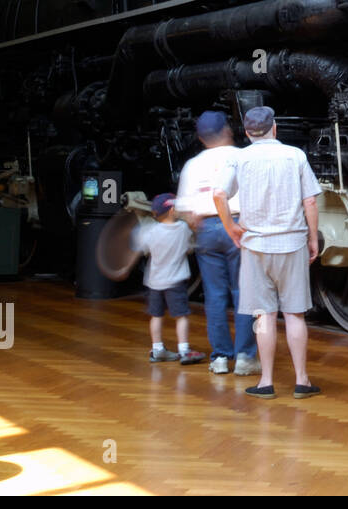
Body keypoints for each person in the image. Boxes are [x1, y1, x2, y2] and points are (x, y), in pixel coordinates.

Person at [213, 106, 321, 399]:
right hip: (292, 244)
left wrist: (231, 227)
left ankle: (266, 382)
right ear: (274, 128)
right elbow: (310, 201)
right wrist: (313, 238)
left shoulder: (240, 157)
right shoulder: (295, 155)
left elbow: (219, 194)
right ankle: (301, 381)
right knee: (295, 314)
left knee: (264, 315)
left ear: (248, 133)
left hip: (256, 246)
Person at [175, 111, 259, 376]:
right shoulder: (243, 157)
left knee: (214, 294)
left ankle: (221, 357)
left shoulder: (192, 165)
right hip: (238, 225)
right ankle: (245, 356)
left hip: (206, 228)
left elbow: (186, 212)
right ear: (228, 130)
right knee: (243, 293)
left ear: (201, 138)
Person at [132, 193, 206, 365]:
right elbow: (190, 248)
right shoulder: (183, 229)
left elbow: (141, 245)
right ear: (173, 209)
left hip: (154, 281)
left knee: (156, 316)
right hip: (176, 281)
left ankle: (157, 350)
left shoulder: (150, 231)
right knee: (181, 316)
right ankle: (184, 350)